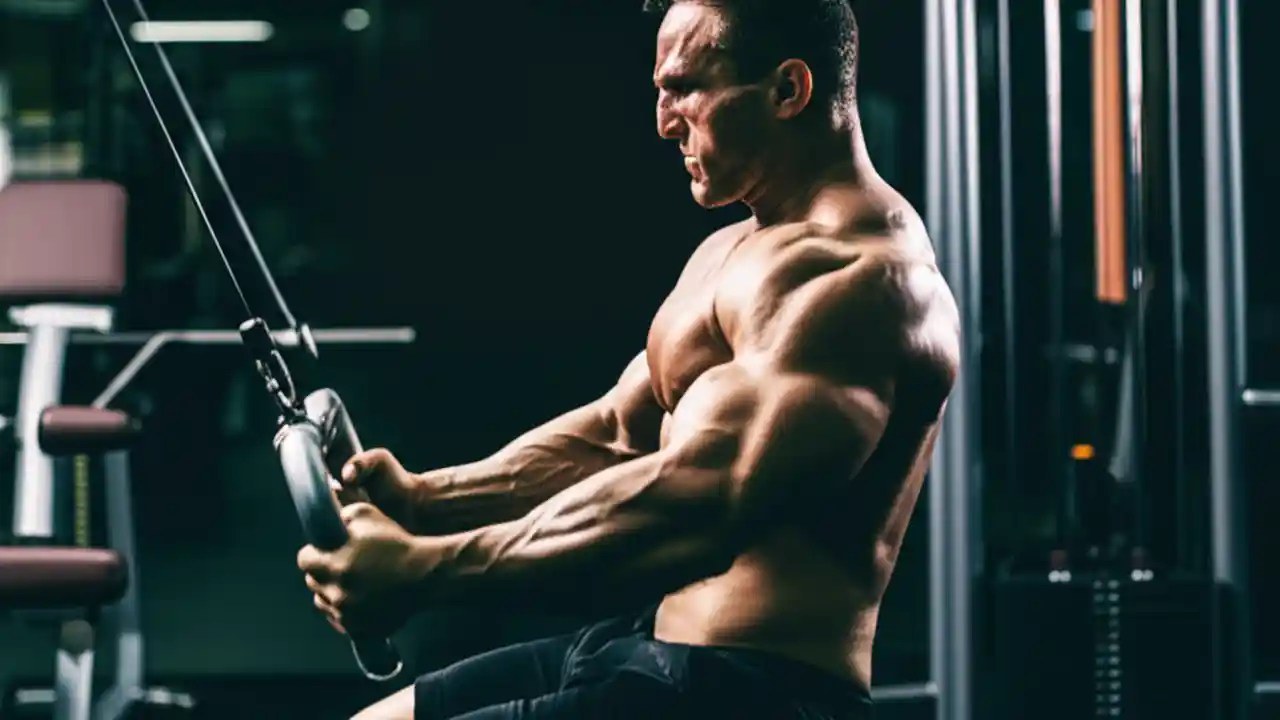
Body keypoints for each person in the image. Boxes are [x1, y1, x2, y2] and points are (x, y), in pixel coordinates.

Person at [297, 1, 960, 717]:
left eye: (685, 89)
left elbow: (706, 504)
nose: (664, 122)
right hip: (644, 648)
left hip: (750, 691)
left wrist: (428, 571)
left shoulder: (863, 284)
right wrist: (426, 500)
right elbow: (618, 432)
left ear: (788, 90)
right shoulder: (734, 249)